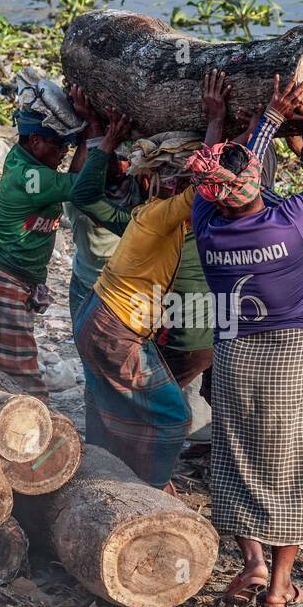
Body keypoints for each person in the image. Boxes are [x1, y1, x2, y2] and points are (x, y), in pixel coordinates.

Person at [190, 75, 303, 607]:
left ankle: (252, 563)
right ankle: (280, 585)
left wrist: (216, 118)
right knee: (290, 463)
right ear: (257, 183)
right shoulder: (289, 224)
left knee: (236, 458)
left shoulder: (208, 229)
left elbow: (215, 178)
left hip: (234, 352)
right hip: (289, 353)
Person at [68, 71, 233, 489]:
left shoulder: (142, 216)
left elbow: (85, 195)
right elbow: (208, 183)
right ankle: (152, 491)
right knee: (173, 415)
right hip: (116, 331)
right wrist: (217, 120)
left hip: (94, 315)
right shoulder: (163, 216)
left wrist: (105, 144)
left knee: (111, 404)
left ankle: (104, 475)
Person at [0, 76, 95, 396]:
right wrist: (98, 139)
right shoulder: (34, 177)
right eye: (59, 145)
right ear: (35, 142)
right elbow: (82, 186)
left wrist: (82, 135)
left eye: (67, 145)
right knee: (20, 371)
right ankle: (36, 429)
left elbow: (71, 177)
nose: (63, 152)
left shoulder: (20, 159)